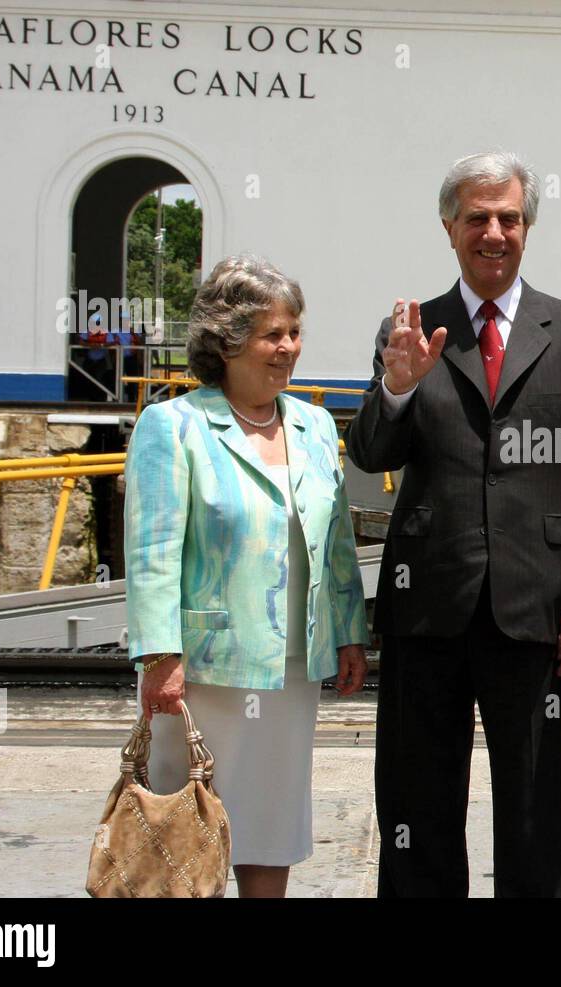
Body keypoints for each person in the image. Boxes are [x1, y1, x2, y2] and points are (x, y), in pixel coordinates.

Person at [344, 151, 561, 897]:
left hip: (535, 608)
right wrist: (396, 390)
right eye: (477, 218)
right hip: (428, 603)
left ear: (528, 226)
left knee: (537, 809)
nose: (493, 232)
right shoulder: (411, 329)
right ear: (449, 227)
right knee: (417, 803)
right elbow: (371, 451)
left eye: (508, 217)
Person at [126, 255, 369, 898]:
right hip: (200, 673)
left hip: (292, 670)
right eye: (272, 334)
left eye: (294, 331)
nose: (288, 347)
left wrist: (349, 633)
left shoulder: (315, 426)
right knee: (185, 833)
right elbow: (151, 551)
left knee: (270, 830)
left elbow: (335, 541)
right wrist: (159, 657)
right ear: (227, 341)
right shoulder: (173, 426)